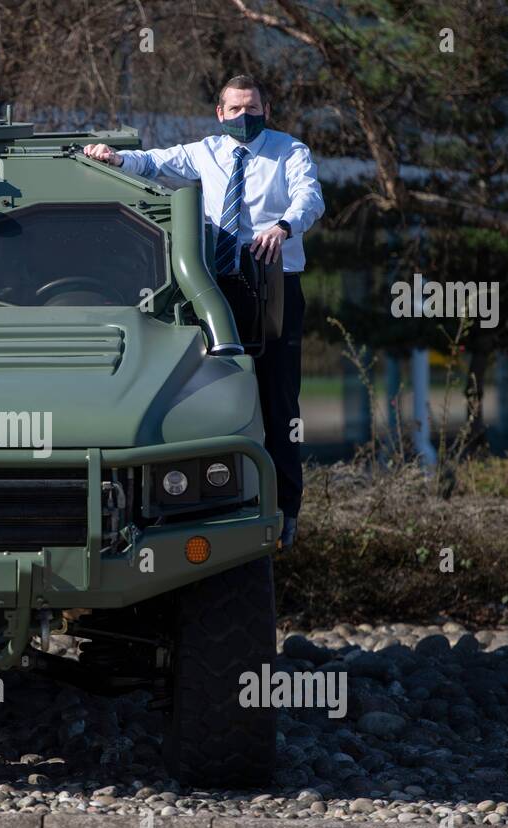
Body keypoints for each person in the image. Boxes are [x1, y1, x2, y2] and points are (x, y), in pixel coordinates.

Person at [84, 74, 324, 550]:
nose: (243, 117)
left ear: (267, 110)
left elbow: (310, 198)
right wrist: (114, 158)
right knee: (204, 389)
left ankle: (285, 510)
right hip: (215, 288)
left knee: (278, 398)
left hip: (272, 285)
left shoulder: (289, 151)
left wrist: (283, 226)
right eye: (234, 109)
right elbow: (153, 162)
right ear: (220, 113)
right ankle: (210, 503)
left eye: (252, 108)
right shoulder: (205, 152)